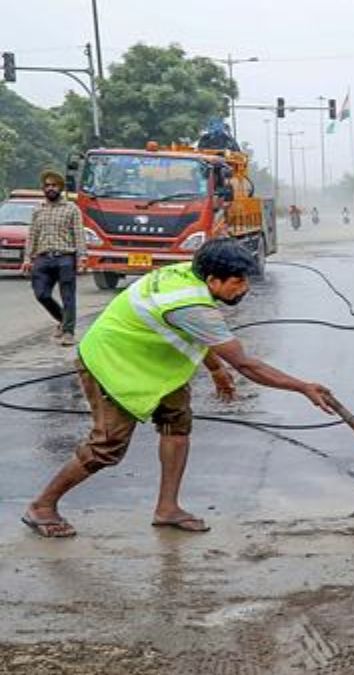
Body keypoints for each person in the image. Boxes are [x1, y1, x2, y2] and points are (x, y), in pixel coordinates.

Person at [21, 239, 333, 538]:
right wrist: (303, 387)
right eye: (237, 281)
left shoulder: (190, 272)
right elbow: (246, 365)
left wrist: (215, 368)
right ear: (212, 280)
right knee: (107, 446)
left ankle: (167, 508)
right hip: (113, 363)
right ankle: (42, 506)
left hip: (153, 362)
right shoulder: (191, 305)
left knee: (177, 425)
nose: (245, 288)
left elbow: (194, 331)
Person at [20, 170, 87, 346]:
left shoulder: (71, 209)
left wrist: (82, 258)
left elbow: (79, 234)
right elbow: (32, 235)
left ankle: (68, 333)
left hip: (65, 258)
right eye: (47, 185)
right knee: (41, 294)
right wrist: (27, 258)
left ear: (61, 188)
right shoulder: (38, 210)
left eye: (54, 185)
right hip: (42, 258)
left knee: (68, 296)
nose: (50, 188)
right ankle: (63, 320)